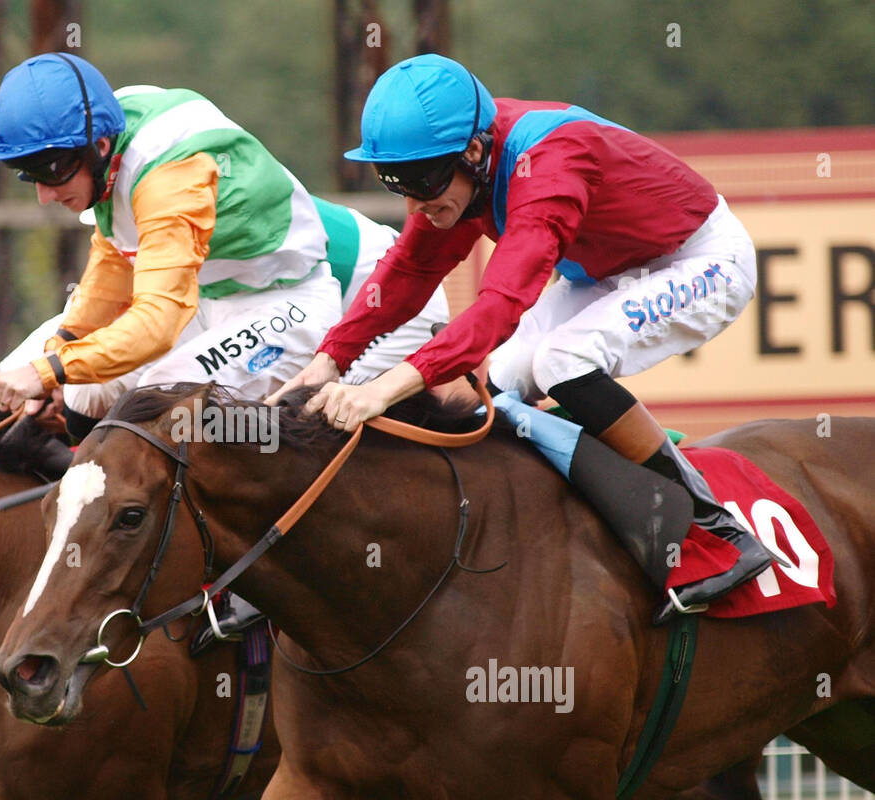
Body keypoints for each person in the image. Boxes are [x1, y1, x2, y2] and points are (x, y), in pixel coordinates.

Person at [271, 54, 772, 623]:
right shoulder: (463, 165)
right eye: (395, 183)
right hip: (608, 273)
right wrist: (326, 361)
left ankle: (716, 530)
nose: (413, 204)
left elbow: (499, 308)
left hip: (701, 260)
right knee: (493, 391)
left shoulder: (551, 162)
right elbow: (408, 272)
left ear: (474, 152)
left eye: (422, 182)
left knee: (561, 361)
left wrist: (380, 389)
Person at [0, 53, 443, 436]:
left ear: (99, 147)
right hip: (235, 295)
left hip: (359, 301)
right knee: (85, 395)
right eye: (28, 174)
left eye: (51, 170)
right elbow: (114, 263)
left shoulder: (167, 178)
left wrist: (47, 371)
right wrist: (61, 352)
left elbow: (155, 324)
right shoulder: (113, 133)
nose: (44, 194)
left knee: (162, 408)